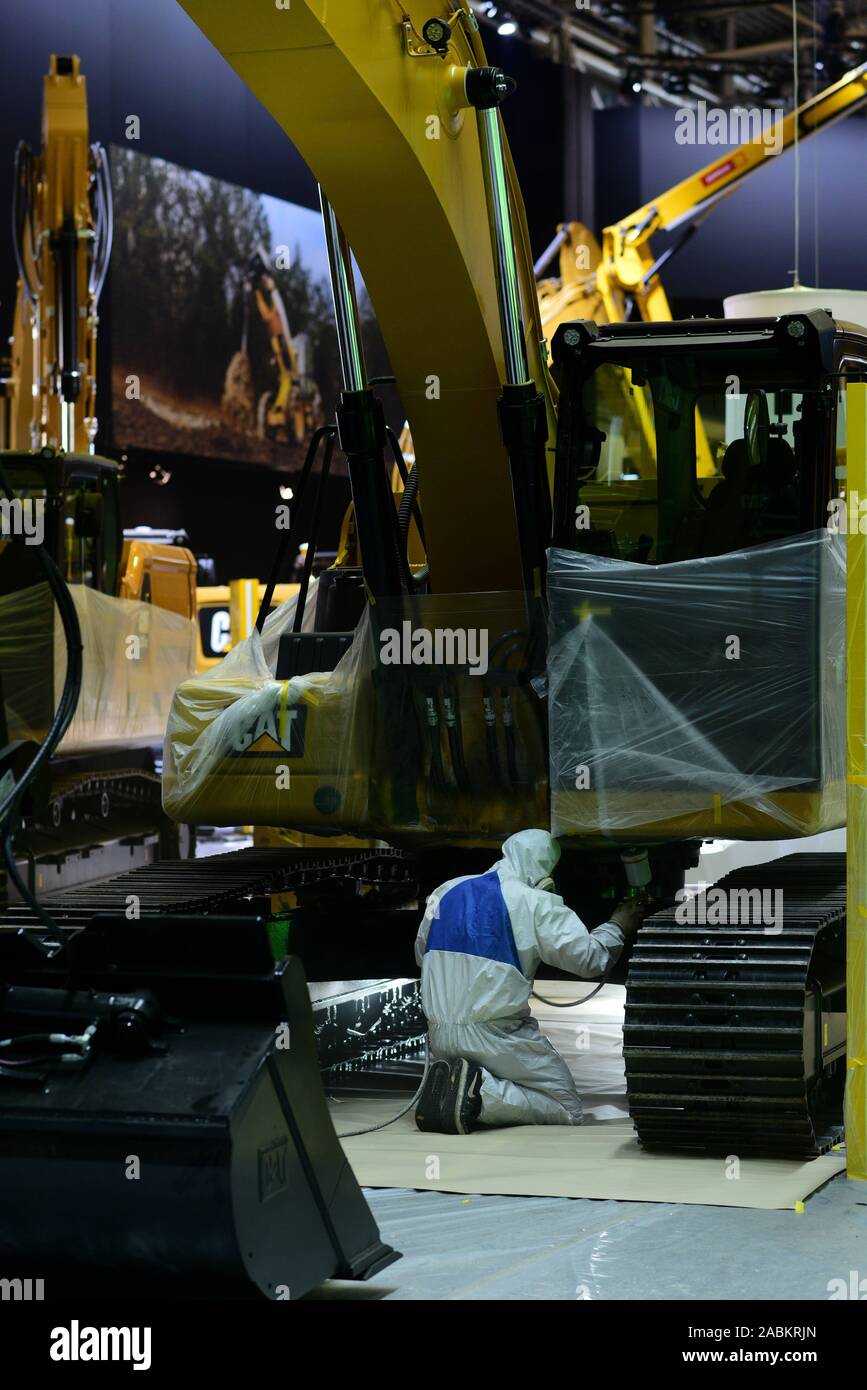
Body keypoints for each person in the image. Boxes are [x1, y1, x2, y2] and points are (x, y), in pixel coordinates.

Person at [414, 828, 649, 1135]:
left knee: (502, 1073)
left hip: (439, 1036)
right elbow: (590, 960)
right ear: (546, 871)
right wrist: (619, 923)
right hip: (497, 1036)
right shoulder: (536, 901)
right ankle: (478, 1092)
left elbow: (422, 953)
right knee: (566, 1106)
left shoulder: (446, 891)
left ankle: (453, 1081)